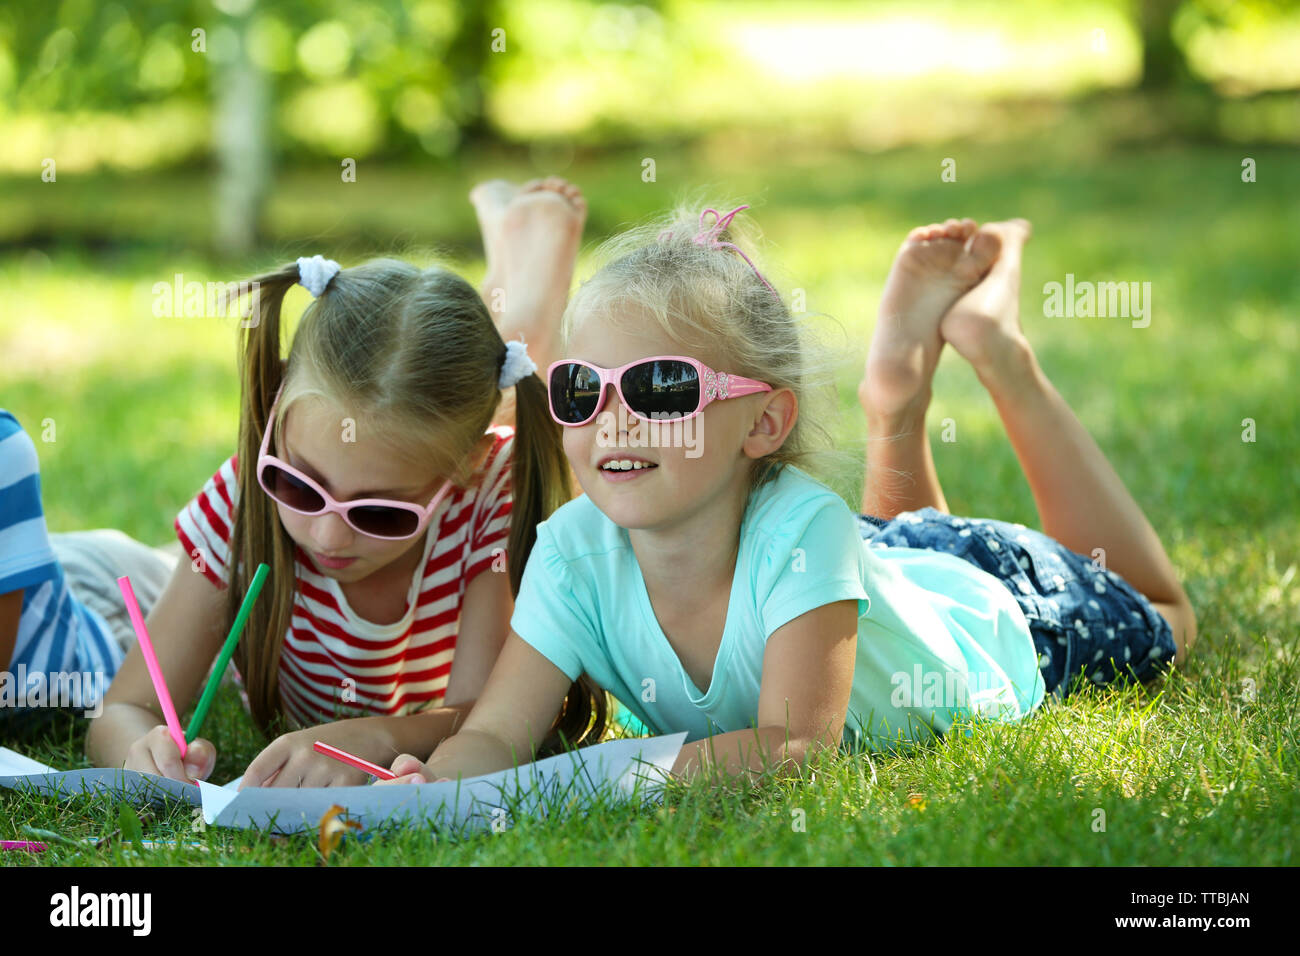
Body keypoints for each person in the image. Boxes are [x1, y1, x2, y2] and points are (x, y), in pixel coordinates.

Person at [378, 205, 1196, 785]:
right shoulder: (569, 550)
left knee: (1167, 620)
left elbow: (795, 748)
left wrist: (605, 774)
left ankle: (997, 350)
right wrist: (437, 782)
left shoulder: (806, 528)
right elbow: (494, 732)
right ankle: (898, 401)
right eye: (583, 387)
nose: (613, 419)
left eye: (662, 387)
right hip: (886, 571)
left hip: (1003, 611)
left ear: (764, 422)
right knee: (895, 551)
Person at [86, 178, 602, 786]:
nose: (327, 533)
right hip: (146, 561)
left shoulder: (492, 494)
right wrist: (139, 751)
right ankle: (515, 276)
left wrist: (371, 735)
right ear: (275, 410)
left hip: (489, 443)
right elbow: (121, 710)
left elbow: (491, 715)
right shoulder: (243, 500)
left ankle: (531, 277)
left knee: (535, 375)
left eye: (381, 511)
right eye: (300, 484)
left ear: (466, 470)